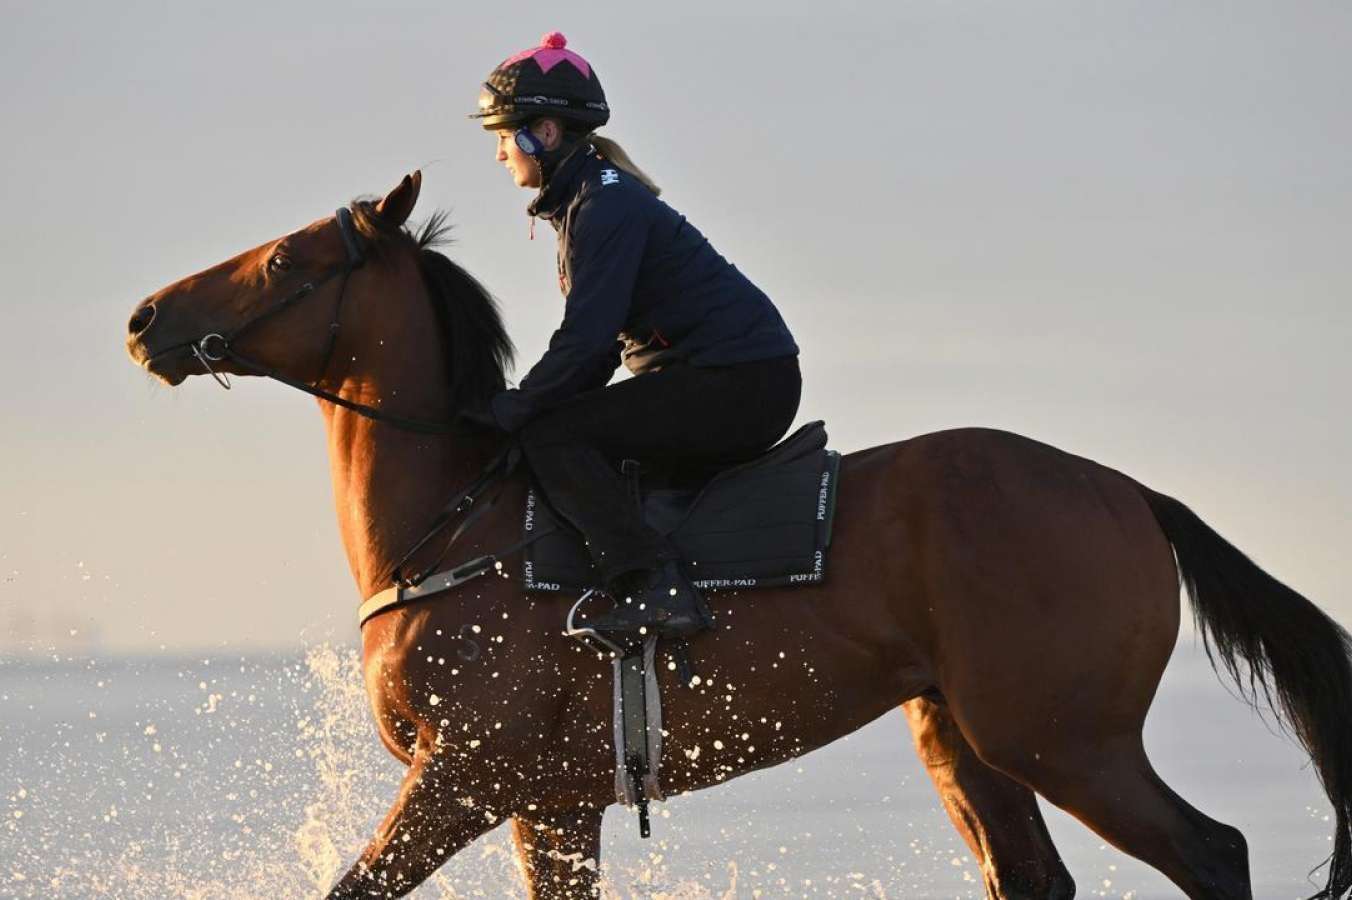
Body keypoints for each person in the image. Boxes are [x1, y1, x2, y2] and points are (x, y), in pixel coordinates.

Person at [470, 32, 801, 640]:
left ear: (541, 133)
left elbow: (588, 342)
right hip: (726, 376)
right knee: (557, 422)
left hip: (740, 383)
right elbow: (590, 358)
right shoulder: (585, 199)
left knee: (550, 435)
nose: (498, 156)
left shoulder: (603, 206)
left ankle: (655, 586)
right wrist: (534, 402)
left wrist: (515, 408)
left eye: (500, 137)